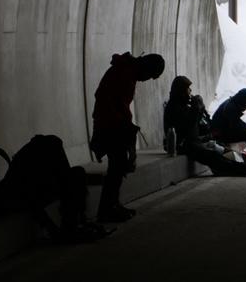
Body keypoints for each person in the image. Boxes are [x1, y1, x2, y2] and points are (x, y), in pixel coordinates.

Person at [89, 51, 165, 223]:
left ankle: (112, 205)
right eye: (150, 75)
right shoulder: (125, 73)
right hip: (109, 125)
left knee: (118, 166)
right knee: (117, 167)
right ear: (146, 67)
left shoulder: (126, 70)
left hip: (110, 123)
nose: (146, 80)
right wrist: (126, 128)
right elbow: (116, 105)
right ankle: (107, 209)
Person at [208, 86, 246, 156]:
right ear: (242, 102)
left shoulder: (231, 103)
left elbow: (236, 122)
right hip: (219, 136)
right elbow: (236, 124)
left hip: (223, 131)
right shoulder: (230, 108)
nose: (245, 109)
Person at [162, 75, 209, 156]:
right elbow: (188, 127)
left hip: (191, 143)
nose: (190, 90)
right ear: (181, 90)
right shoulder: (174, 107)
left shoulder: (182, 105)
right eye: (188, 88)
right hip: (182, 145)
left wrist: (201, 109)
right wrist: (196, 108)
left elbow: (198, 125)